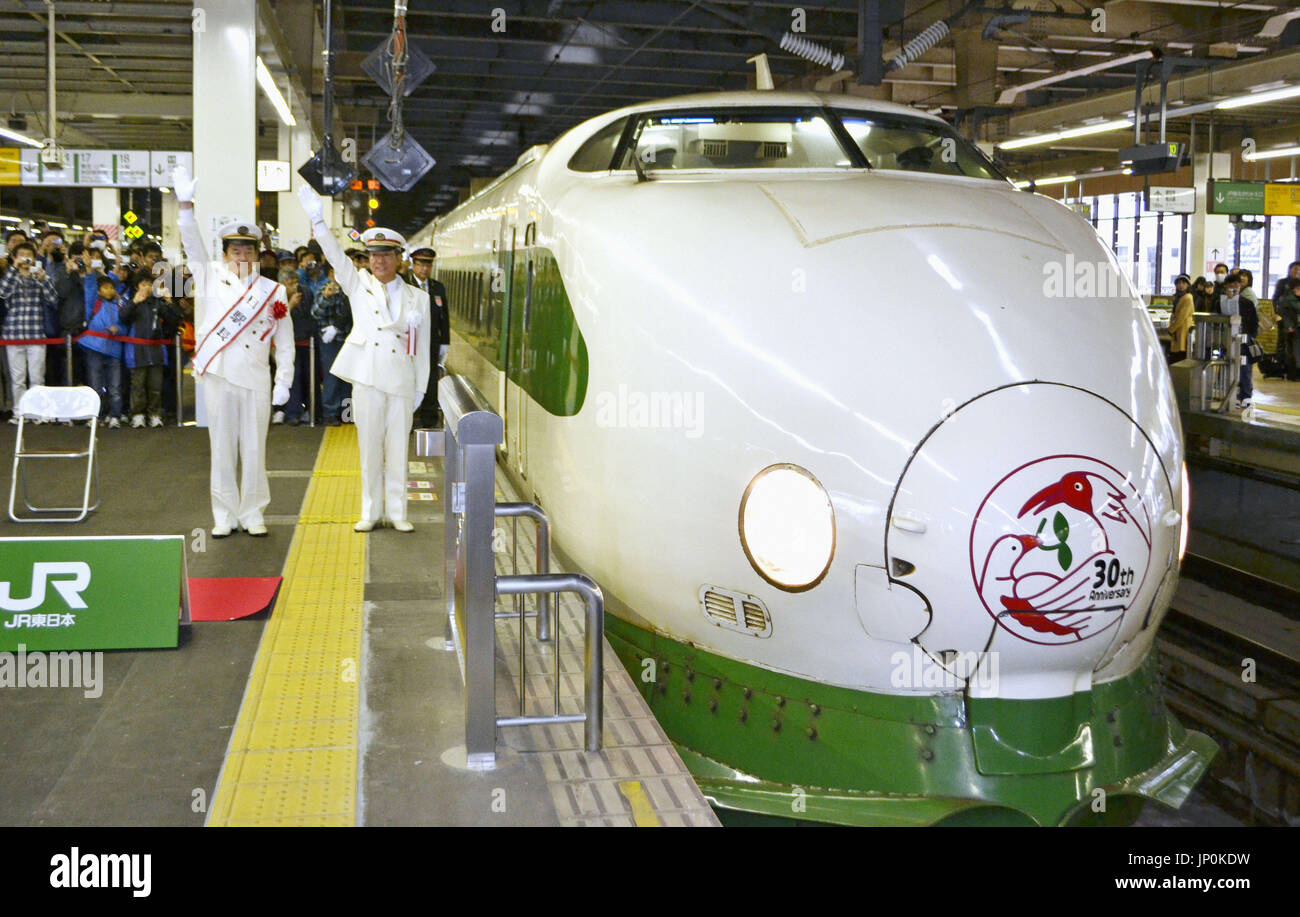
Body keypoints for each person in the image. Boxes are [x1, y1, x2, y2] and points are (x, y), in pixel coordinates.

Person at [297, 185, 431, 532]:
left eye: (386, 255)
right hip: (368, 379)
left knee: (398, 448)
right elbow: (336, 257)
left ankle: (398, 512)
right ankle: (371, 511)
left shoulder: (419, 298)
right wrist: (318, 221)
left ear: (399, 258)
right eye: (374, 255)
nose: (379, 261)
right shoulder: (358, 285)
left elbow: (424, 347)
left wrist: (421, 387)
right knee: (369, 447)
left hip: (401, 380)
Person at [174, 167, 294, 538]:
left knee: (255, 450)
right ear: (225, 253)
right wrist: (184, 206)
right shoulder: (209, 276)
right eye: (235, 249)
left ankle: (253, 512)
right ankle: (224, 514)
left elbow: (285, 342)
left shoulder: (272, 291)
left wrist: (284, 382)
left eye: (248, 250)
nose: (242, 254)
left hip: (257, 377)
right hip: (220, 375)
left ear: (258, 255)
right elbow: (192, 244)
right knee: (222, 448)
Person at [0, 241, 59, 419]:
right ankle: (19, 412)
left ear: (34, 258)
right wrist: (14, 269)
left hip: (36, 335)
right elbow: (2, 292)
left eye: (29, 255)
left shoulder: (40, 277)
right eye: (22, 254)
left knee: (37, 378)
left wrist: (44, 280)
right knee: (17, 379)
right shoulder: (10, 276)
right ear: (14, 257)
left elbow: (53, 300)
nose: (26, 258)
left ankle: (38, 411)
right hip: (13, 335)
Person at [119, 270, 181, 428]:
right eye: (143, 284)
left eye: (149, 284)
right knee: (138, 385)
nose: (147, 287)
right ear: (136, 286)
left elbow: (173, 319)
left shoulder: (157, 302)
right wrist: (134, 302)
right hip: (136, 350)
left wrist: (169, 301)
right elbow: (122, 317)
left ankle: (155, 414)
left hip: (156, 350)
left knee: (156, 385)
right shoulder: (131, 300)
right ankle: (137, 415)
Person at [303, 250, 352, 425]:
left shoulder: (349, 290)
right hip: (329, 341)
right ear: (330, 273)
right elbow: (315, 313)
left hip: (348, 340)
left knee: (348, 378)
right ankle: (330, 413)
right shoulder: (323, 289)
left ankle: (347, 413)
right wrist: (326, 297)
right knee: (332, 377)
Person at [406, 246, 450, 428]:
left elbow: (444, 317)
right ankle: (406, 420)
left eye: (428, 265)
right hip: (409, 344)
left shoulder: (437, 287)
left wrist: (445, 342)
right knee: (409, 381)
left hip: (431, 344)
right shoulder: (404, 285)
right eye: (420, 265)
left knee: (431, 381)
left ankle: (429, 421)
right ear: (413, 265)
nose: (424, 269)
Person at [80, 273, 127, 426]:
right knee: (95, 385)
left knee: (115, 386)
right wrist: (89, 271)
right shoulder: (93, 303)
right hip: (94, 348)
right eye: (105, 288)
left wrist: (118, 329)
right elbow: (89, 288)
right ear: (99, 291)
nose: (109, 290)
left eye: (111, 287)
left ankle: (115, 416)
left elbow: (126, 326)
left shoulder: (120, 306)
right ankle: (97, 416)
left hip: (114, 350)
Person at [1219, 272, 1259, 409]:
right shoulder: (1220, 302)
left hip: (1243, 340)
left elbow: (1254, 323)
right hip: (1226, 340)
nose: (1234, 289)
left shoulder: (1246, 303)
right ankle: (1231, 395)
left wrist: (1249, 337)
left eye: (1237, 285)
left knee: (1244, 368)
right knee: (1228, 367)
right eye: (1231, 286)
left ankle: (1246, 396)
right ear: (1225, 287)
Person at [1276, 276, 1300, 381]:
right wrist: (1289, 326)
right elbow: (1285, 315)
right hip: (1293, 330)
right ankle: (1294, 373)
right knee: (1294, 352)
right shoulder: (1286, 300)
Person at [1167, 274, 1194, 364]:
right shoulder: (1178, 297)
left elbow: (1182, 316)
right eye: (1179, 283)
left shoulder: (1188, 297)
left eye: (1183, 283)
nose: (1181, 285)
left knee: (1181, 352)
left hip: (1183, 327)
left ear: (1188, 285)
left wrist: (1171, 329)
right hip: (1178, 327)